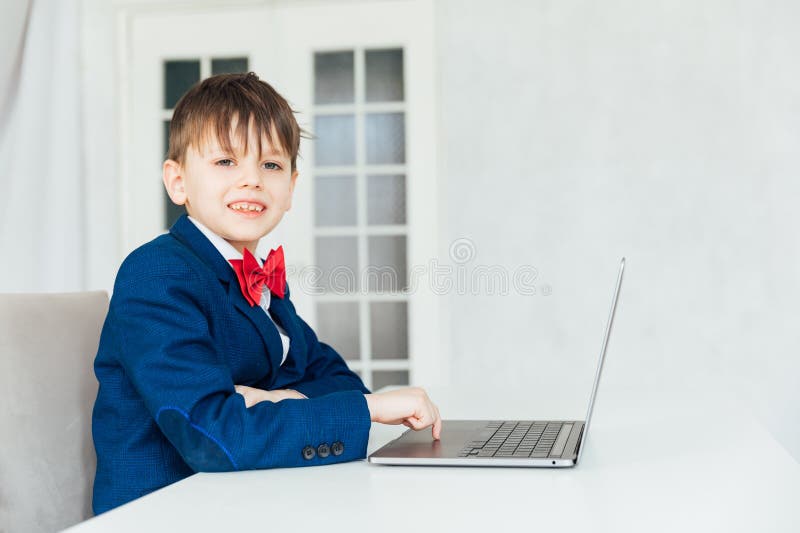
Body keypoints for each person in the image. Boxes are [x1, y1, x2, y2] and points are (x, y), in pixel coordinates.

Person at [91, 72, 442, 514]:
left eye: (271, 165)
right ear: (177, 181)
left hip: (249, 499)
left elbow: (338, 380)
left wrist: (276, 398)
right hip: (164, 512)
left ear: (291, 187)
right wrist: (367, 410)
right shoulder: (157, 274)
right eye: (225, 162)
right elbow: (212, 437)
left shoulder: (259, 277)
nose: (252, 180)